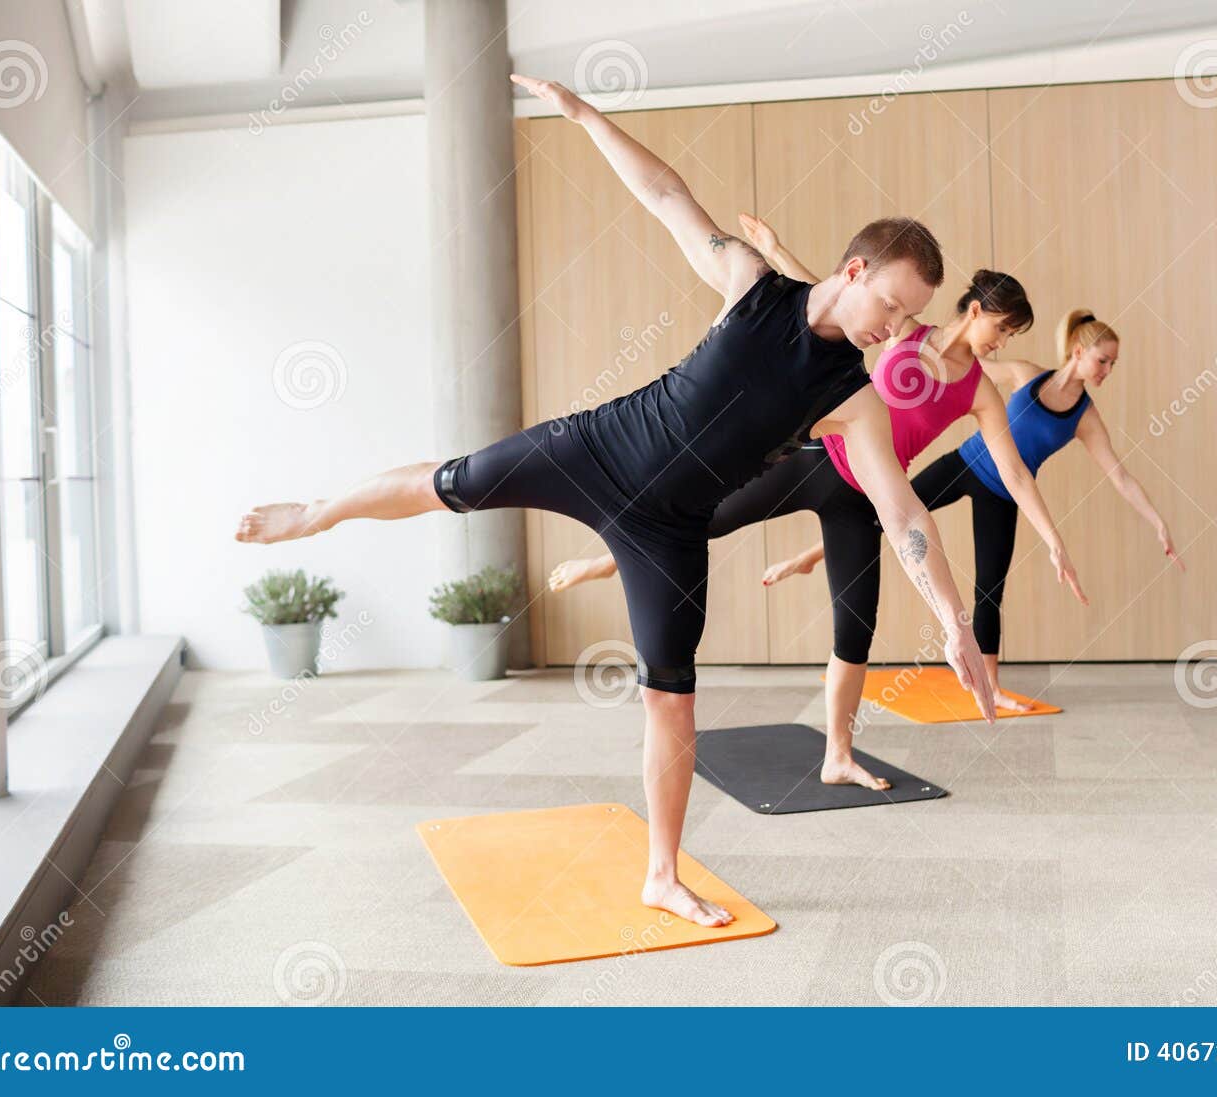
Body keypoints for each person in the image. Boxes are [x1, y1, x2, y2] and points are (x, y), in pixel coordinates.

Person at [234, 75, 993, 929]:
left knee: (672, 699)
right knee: (450, 483)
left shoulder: (854, 398)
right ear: (855, 271)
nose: (895, 330)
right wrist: (586, 116)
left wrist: (953, 622)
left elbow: (902, 512)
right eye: (891, 305)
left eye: (909, 318)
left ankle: (661, 875)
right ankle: (314, 514)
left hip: (671, 531)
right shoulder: (751, 283)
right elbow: (667, 194)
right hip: (596, 449)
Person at [551, 212, 1089, 769]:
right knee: (704, 516)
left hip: (867, 498)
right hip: (815, 456)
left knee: (855, 628)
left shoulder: (980, 391)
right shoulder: (904, 329)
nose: (1001, 342)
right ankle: (607, 558)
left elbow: (1014, 473)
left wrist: (1054, 541)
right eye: (1002, 328)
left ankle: (838, 756)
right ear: (975, 311)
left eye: (1011, 337)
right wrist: (776, 248)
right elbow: (836, 300)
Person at [770, 307, 1185, 702]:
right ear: (1079, 352)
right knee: (886, 521)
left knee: (990, 589)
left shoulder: (1085, 417)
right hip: (963, 464)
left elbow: (1120, 476)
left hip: (1004, 493)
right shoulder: (1025, 374)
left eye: (1112, 364)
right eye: (1103, 360)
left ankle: (993, 687)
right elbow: (968, 369)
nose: (1107, 370)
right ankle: (810, 557)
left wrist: (1158, 523)